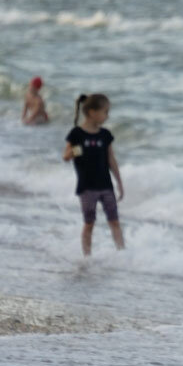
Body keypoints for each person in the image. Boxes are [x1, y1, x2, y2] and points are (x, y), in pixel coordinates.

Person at [62, 93, 124, 256]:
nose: (107, 115)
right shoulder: (77, 134)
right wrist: (77, 150)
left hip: (106, 185)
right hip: (87, 187)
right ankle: (87, 257)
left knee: (114, 221)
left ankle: (122, 254)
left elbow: (111, 159)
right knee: (89, 223)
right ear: (92, 112)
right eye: (105, 111)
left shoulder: (105, 135)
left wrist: (119, 183)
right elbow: (66, 156)